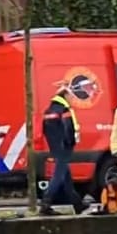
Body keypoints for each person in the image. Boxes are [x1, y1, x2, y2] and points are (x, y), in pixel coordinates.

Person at [40, 85, 88, 216]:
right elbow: (68, 128)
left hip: (54, 146)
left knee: (66, 177)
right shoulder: (64, 110)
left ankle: (77, 204)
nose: (72, 98)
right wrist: (70, 143)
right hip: (64, 147)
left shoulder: (49, 110)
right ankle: (46, 203)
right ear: (65, 96)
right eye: (71, 96)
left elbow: (45, 130)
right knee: (59, 175)